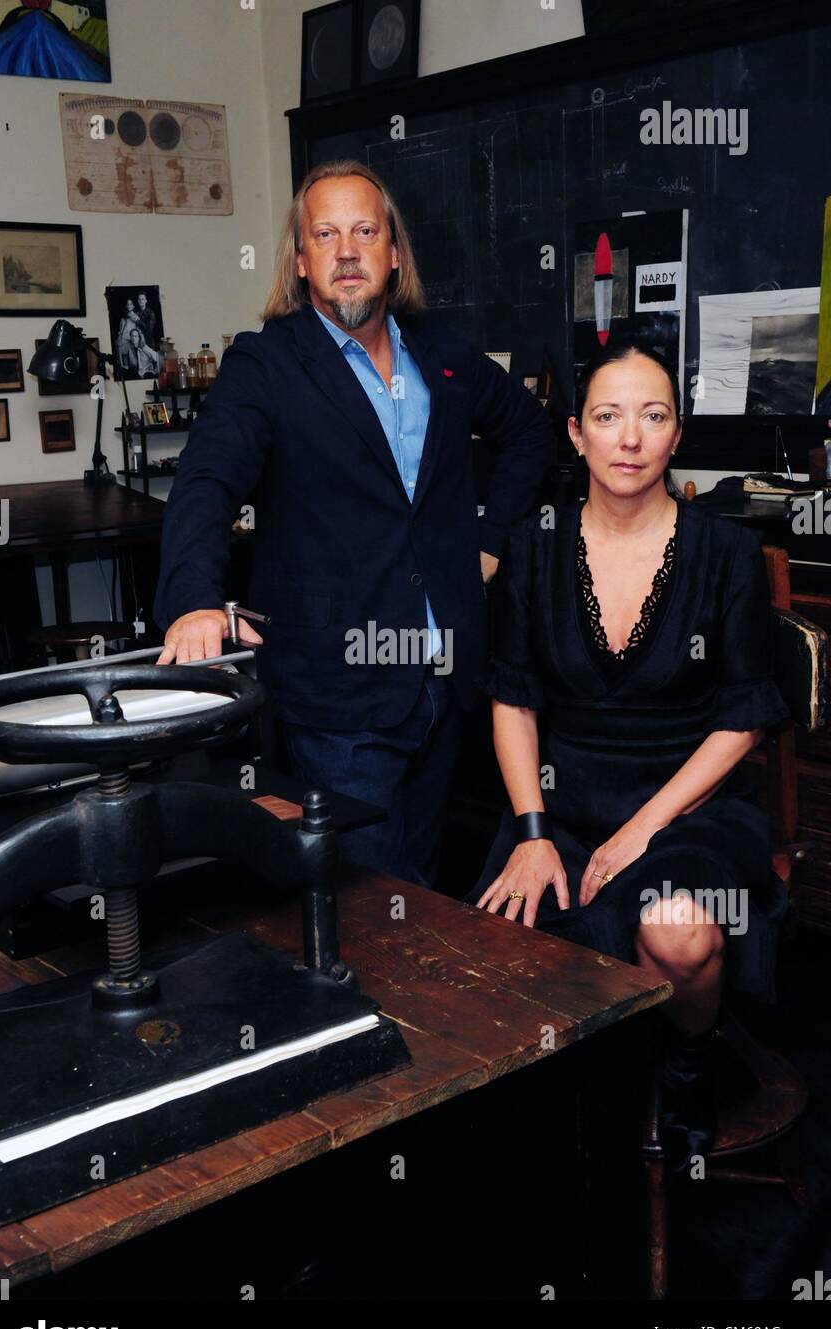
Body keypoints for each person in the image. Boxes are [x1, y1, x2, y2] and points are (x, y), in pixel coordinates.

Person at [154, 159, 555, 886]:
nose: (347, 251)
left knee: (427, 886)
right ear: (301, 259)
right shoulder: (265, 366)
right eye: (326, 234)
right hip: (339, 695)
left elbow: (530, 432)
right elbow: (206, 481)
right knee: (367, 905)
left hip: (445, 680)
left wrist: (492, 543)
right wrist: (193, 600)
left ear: (393, 253)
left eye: (365, 231)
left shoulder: (444, 357)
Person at [472, 337, 789, 1168]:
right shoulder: (534, 550)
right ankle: (567, 1112)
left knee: (681, 932)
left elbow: (744, 720)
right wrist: (533, 829)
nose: (630, 439)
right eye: (608, 418)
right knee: (500, 942)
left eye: (652, 417)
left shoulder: (726, 554)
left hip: (691, 803)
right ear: (576, 435)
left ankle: (687, 1065)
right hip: (561, 803)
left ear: (676, 434)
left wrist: (644, 830)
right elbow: (512, 699)